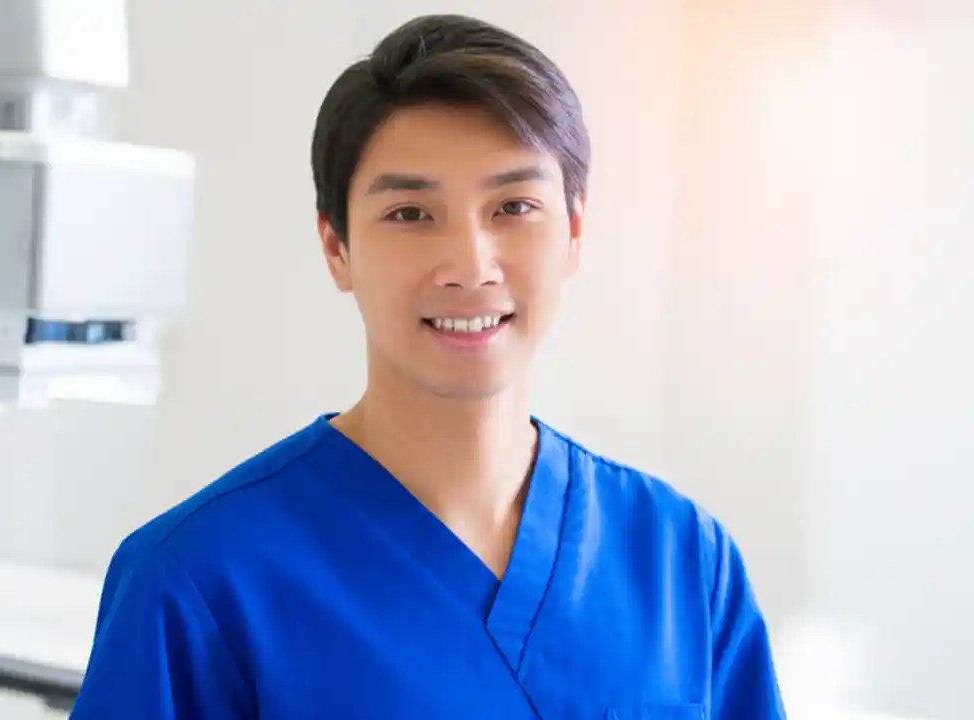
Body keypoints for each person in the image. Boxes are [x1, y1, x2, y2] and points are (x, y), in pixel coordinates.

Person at [71, 13, 785, 720]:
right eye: (411, 214)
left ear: (573, 230)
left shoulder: (680, 561)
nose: (470, 266)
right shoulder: (198, 584)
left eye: (514, 206)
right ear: (336, 248)